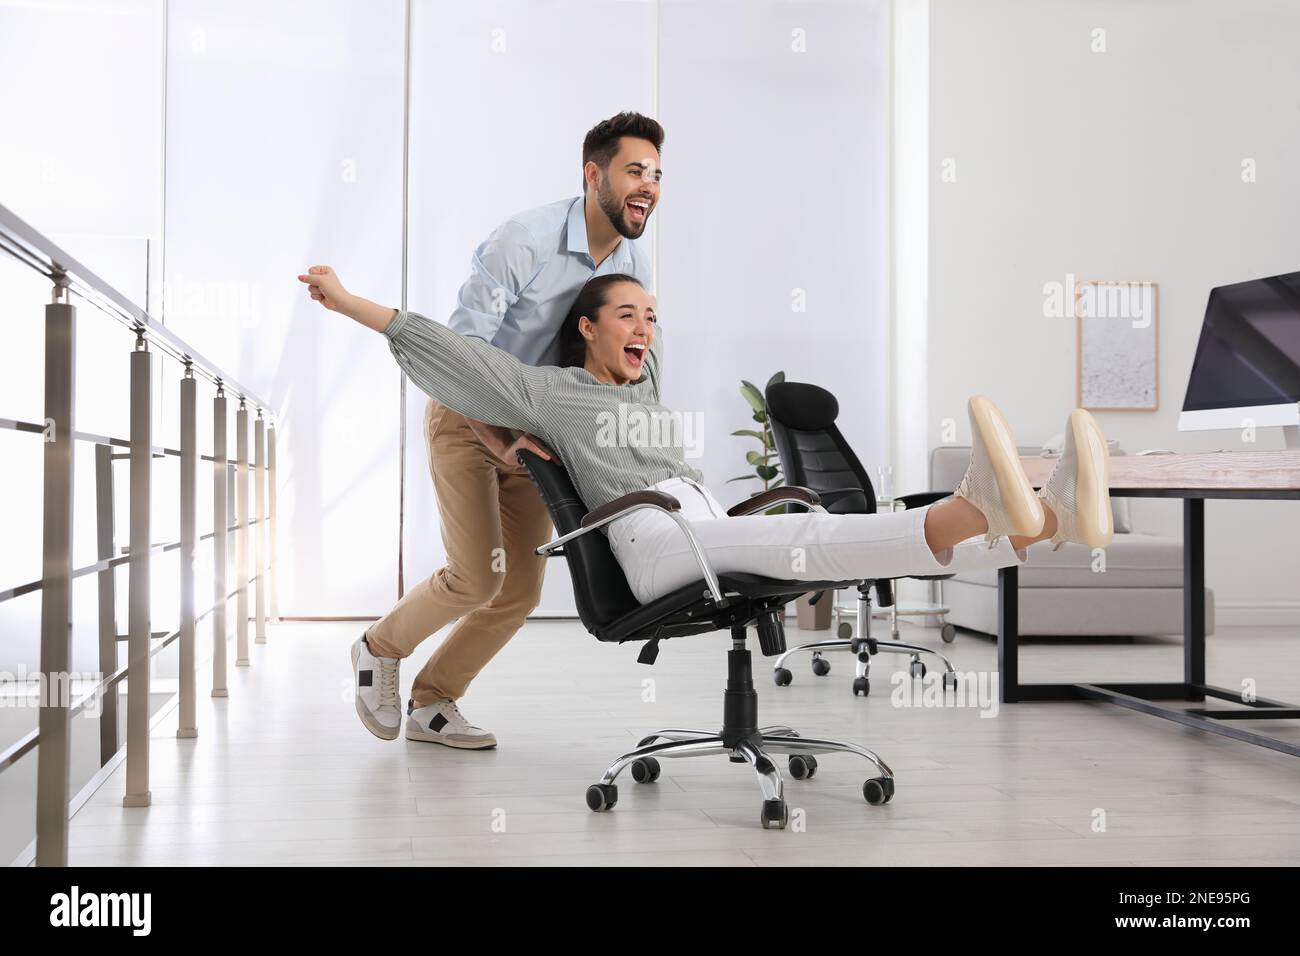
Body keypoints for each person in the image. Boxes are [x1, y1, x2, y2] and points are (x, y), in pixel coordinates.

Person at [298, 270, 1114, 651]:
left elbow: (640, 324)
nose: (645, 328)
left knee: (811, 532)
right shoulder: (550, 394)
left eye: (652, 316)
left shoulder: (645, 391)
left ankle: (1045, 526)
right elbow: (455, 356)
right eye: (626, 314)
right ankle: (977, 505)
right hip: (652, 545)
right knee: (810, 538)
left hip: (695, 522)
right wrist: (351, 303)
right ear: (585, 328)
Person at [328, 112, 663, 749]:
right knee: (478, 575)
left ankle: (434, 702)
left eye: (655, 174)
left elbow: (617, 352)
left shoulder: (632, 257)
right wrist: (492, 435)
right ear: (594, 175)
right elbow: (460, 350)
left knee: (519, 591)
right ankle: (378, 647)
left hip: (538, 430)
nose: (647, 185)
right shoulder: (524, 239)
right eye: (633, 171)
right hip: (467, 414)